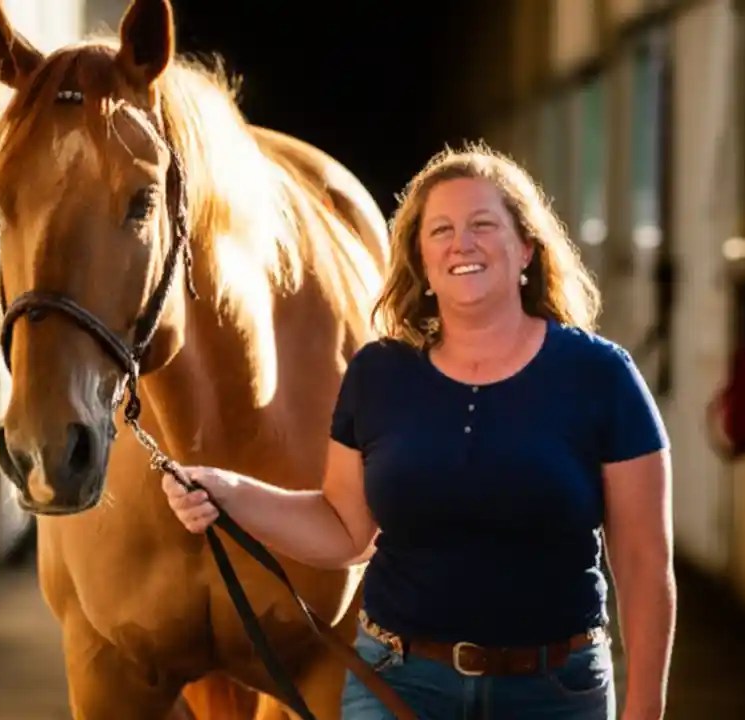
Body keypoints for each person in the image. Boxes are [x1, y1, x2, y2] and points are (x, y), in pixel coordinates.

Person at [163, 144, 675, 720]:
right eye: (441, 230)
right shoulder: (379, 373)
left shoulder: (602, 375)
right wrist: (228, 491)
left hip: (553, 691)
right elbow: (344, 529)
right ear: (422, 261)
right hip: (398, 684)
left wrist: (644, 708)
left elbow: (642, 561)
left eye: (484, 225)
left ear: (526, 248)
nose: (463, 243)